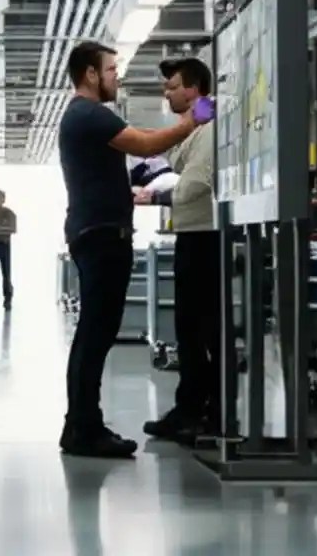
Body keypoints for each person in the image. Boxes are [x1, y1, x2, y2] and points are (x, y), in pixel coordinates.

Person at [57, 41, 212, 459]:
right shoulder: (89, 113)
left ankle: (82, 425)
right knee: (95, 334)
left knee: (94, 334)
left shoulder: (84, 115)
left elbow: (144, 150)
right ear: (91, 74)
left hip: (97, 232)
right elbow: (145, 144)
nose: (117, 77)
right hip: (101, 235)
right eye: (111, 70)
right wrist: (194, 119)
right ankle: (83, 429)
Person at [138, 57, 223, 445]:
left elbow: (194, 184)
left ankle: (201, 412)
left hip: (205, 238)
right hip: (194, 234)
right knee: (193, 330)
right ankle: (194, 408)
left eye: (173, 87)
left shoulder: (210, 130)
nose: (166, 92)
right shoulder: (199, 127)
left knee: (199, 330)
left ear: (193, 89)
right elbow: (174, 161)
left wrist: (154, 197)